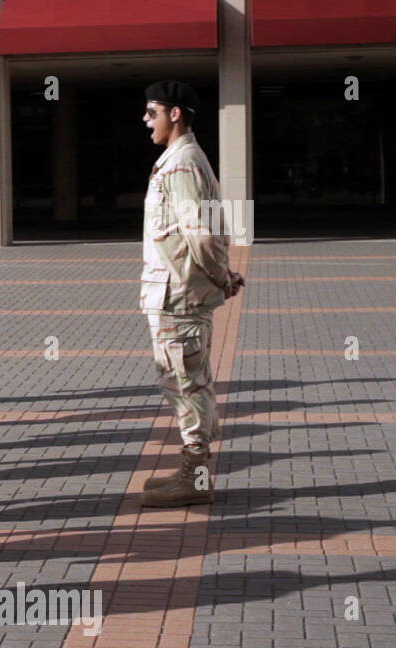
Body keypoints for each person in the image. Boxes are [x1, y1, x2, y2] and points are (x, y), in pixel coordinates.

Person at [138, 80, 244, 508]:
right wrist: (224, 273)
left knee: (188, 382)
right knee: (182, 380)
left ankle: (196, 478)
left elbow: (201, 233)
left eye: (152, 112)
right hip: (176, 291)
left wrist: (222, 276)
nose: (146, 120)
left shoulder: (183, 164)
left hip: (179, 295)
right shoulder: (182, 160)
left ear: (175, 113)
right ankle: (191, 470)